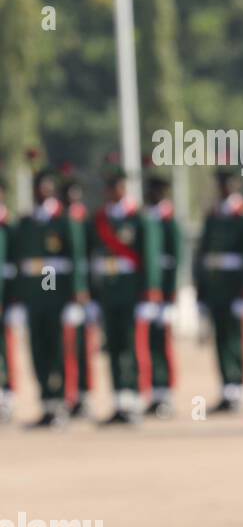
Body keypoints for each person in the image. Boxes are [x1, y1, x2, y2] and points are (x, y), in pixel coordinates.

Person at [9, 170, 88, 427]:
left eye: (45, 187)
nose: (40, 192)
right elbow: (20, 263)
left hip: (55, 292)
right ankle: (46, 402)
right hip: (35, 295)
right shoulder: (27, 222)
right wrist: (18, 298)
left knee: (58, 350)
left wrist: (76, 294)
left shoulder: (63, 220)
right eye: (37, 187)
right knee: (38, 350)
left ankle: (62, 402)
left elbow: (76, 258)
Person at [85, 167, 162, 424]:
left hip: (132, 294)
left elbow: (149, 257)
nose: (112, 192)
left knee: (133, 347)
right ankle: (119, 400)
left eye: (116, 186)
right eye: (109, 187)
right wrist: (92, 296)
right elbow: (91, 258)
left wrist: (149, 294)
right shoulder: (100, 220)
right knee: (114, 347)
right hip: (109, 292)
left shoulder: (139, 218)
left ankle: (136, 400)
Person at [194, 169, 243, 413]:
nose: (223, 188)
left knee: (235, 339)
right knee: (220, 339)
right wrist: (201, 292)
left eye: (228, 183)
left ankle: (238, 388)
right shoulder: (213, 216)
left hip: (234, 288)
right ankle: (226, 388)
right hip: (215, 288)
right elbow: (203, 257)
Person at [143, 172, 181, 417]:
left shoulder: (170, 221)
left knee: (164, 345)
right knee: (150, 344)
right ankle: (155, 392)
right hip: (149, 293)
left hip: (164, 293)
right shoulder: (147, 219)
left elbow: (175, 261)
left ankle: (166, 394)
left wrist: (171, 297)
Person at [60, 172, 94, 418]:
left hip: (86, 296)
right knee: (68, 349)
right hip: (65, 297)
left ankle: (85, 397)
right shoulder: (60, 223)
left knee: (84, 349)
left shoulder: (87, 223)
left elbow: (89, 260)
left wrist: (87, 292)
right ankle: (71, 396)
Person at [0, 175, 14, 423]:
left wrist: (48, 293)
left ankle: (6, 399)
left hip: (6, 298)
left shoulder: (12, 227)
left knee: (5, 350)